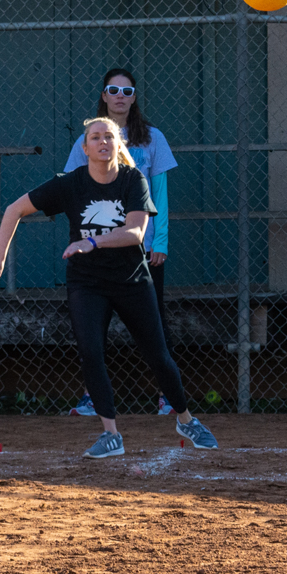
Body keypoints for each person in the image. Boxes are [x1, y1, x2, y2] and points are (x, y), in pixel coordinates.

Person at [0, 116, 216, 459]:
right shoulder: (70, 184)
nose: (103, 142)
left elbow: (134, 233)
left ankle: (186, 419)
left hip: (131, 278)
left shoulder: (133, 180)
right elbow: (14, 209)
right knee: (91, 352)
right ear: (85, 147)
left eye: (109, 137)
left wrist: (93, 242)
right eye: (95, 137)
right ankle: (110, 434)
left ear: (118, 145)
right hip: (87, 283)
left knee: (158, 356)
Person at [62, 69, 179, 417]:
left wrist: (160, 241)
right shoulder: (88, 139)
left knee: (153, 323)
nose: (120, 96)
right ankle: (91, 397)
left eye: (127, 91)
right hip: (97, 251)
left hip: (140, 250)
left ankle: (168, 397)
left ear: (134, 97)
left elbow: (160, 194)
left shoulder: (152, 138)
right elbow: (73, 190)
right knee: (92, 327)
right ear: (103, 95)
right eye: (113, 90)